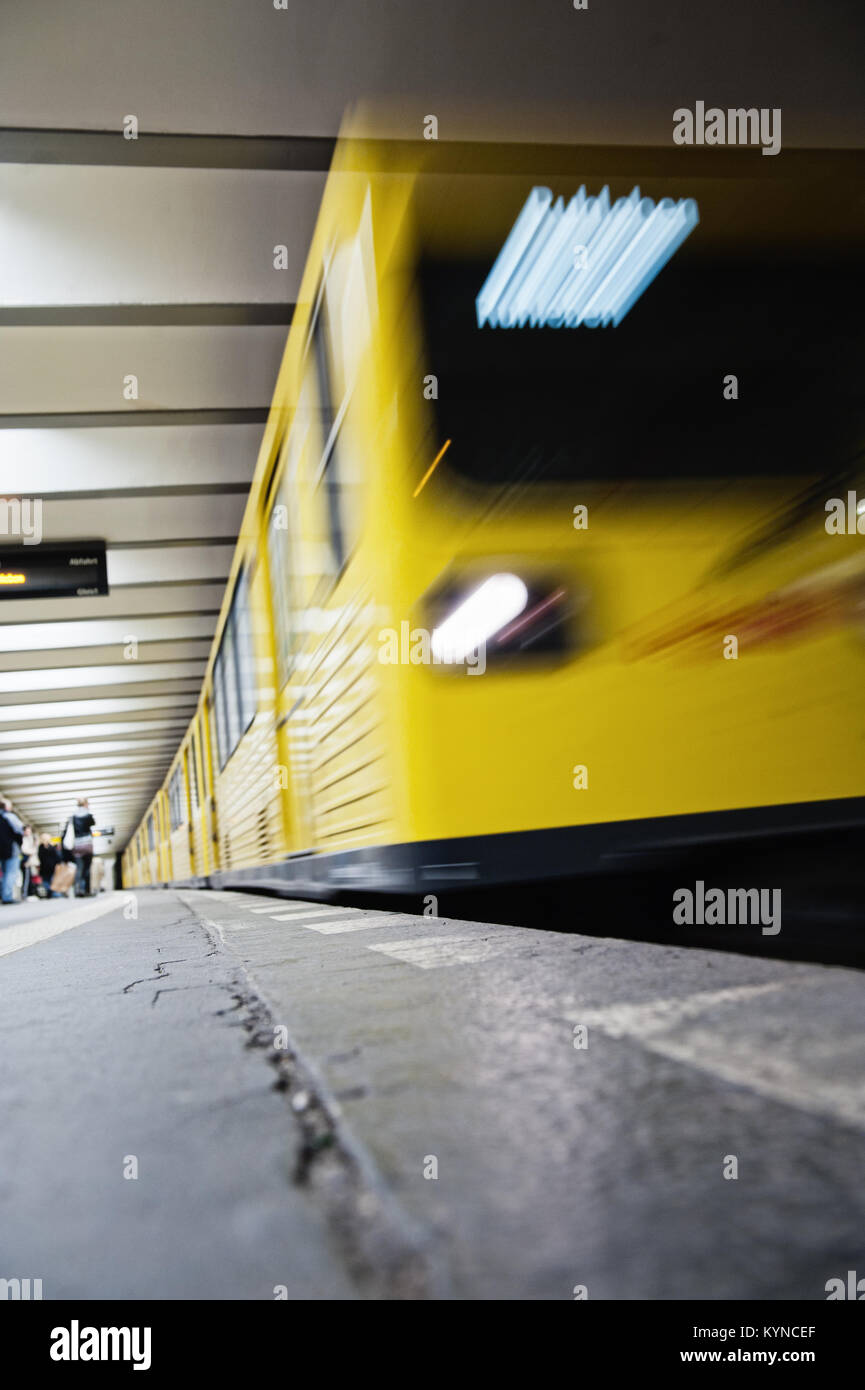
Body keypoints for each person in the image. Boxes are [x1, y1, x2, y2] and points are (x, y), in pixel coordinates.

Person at [63, 797, 96, 897]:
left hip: (77, 845)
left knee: (79, 868)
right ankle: (86, 890)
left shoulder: (73, 816)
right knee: (87, 869)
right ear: (86, 804)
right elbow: (93, 823)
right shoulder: (88, 815)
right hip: (87, 845)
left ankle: (77, 890)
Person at [0, 797, 24, 905]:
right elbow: (20, 829)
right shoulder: (9, 816)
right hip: (10, 848)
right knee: (10, 873)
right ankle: (7, 896)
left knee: (3, 873)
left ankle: (4, 894)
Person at [38, 833, 63, 898]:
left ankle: (54, 894)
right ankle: (50, 893)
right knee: (47, 882)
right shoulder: (41, 847)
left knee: (52, 881)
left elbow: (57, 858)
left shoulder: (51, 848)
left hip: (52, 868)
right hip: (44, 868)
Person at [20, 825, 38, 899]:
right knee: (26, 878)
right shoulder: (23, 839)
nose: (28, 832)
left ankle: (28, 893)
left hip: (29, 861)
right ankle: (25, 894)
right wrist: (32, 850)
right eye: (27, 831)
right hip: (25, 860)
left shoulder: (30, 838)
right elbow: (24, 850)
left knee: (29, 877)